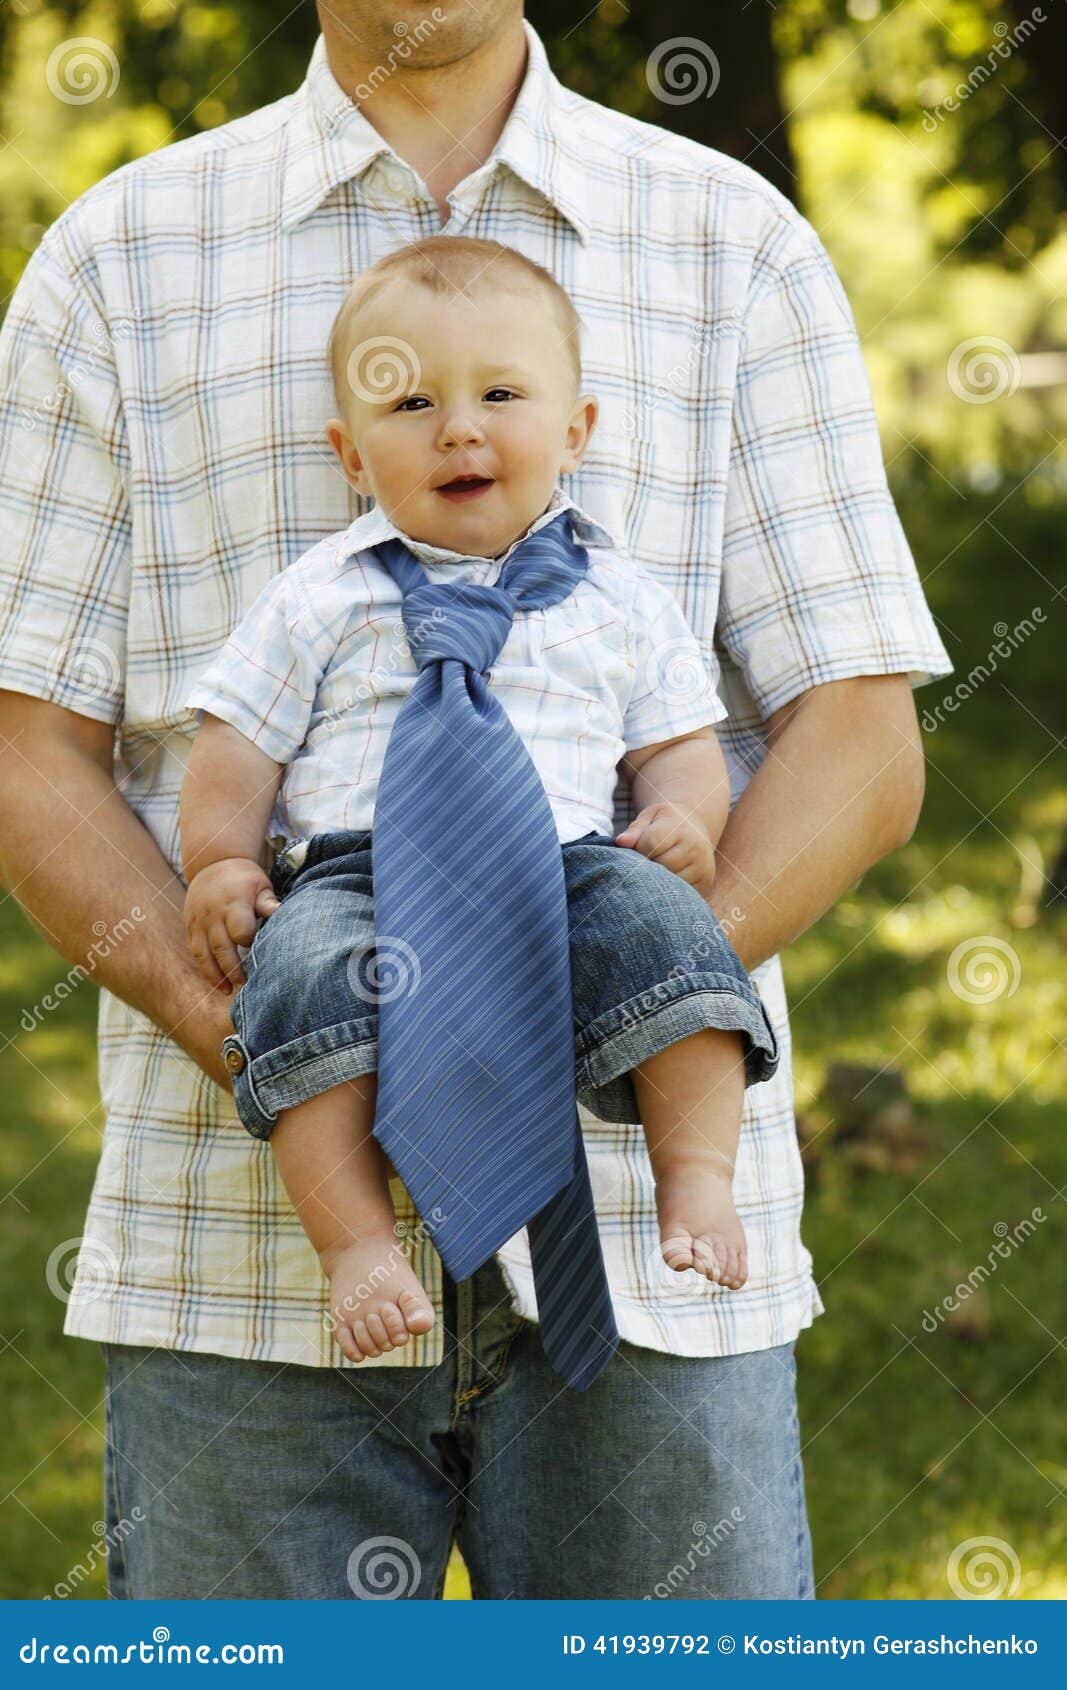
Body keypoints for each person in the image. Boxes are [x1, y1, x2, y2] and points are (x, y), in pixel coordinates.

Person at [0, 2, 952, 1599]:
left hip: (646, 1241)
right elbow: (28, 747)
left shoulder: (732, 246)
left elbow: (859, 738)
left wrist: (620, 984)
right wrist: (278, 1038)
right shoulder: (118, 260)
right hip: (246, 1249)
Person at [179, 236, 781, 1367]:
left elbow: (679, 748)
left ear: (574, 432)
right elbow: (234, 748)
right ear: (351, 455)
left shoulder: (619, 597)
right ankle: (357, 1243)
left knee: (676, 939)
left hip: (569, 862)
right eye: (410, 403)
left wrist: (686, 823)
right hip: (363, 870)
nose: (458, 427)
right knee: (301, 982)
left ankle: (696, 1179)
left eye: (499, 394)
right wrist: (220, 861)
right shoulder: (319, 597)